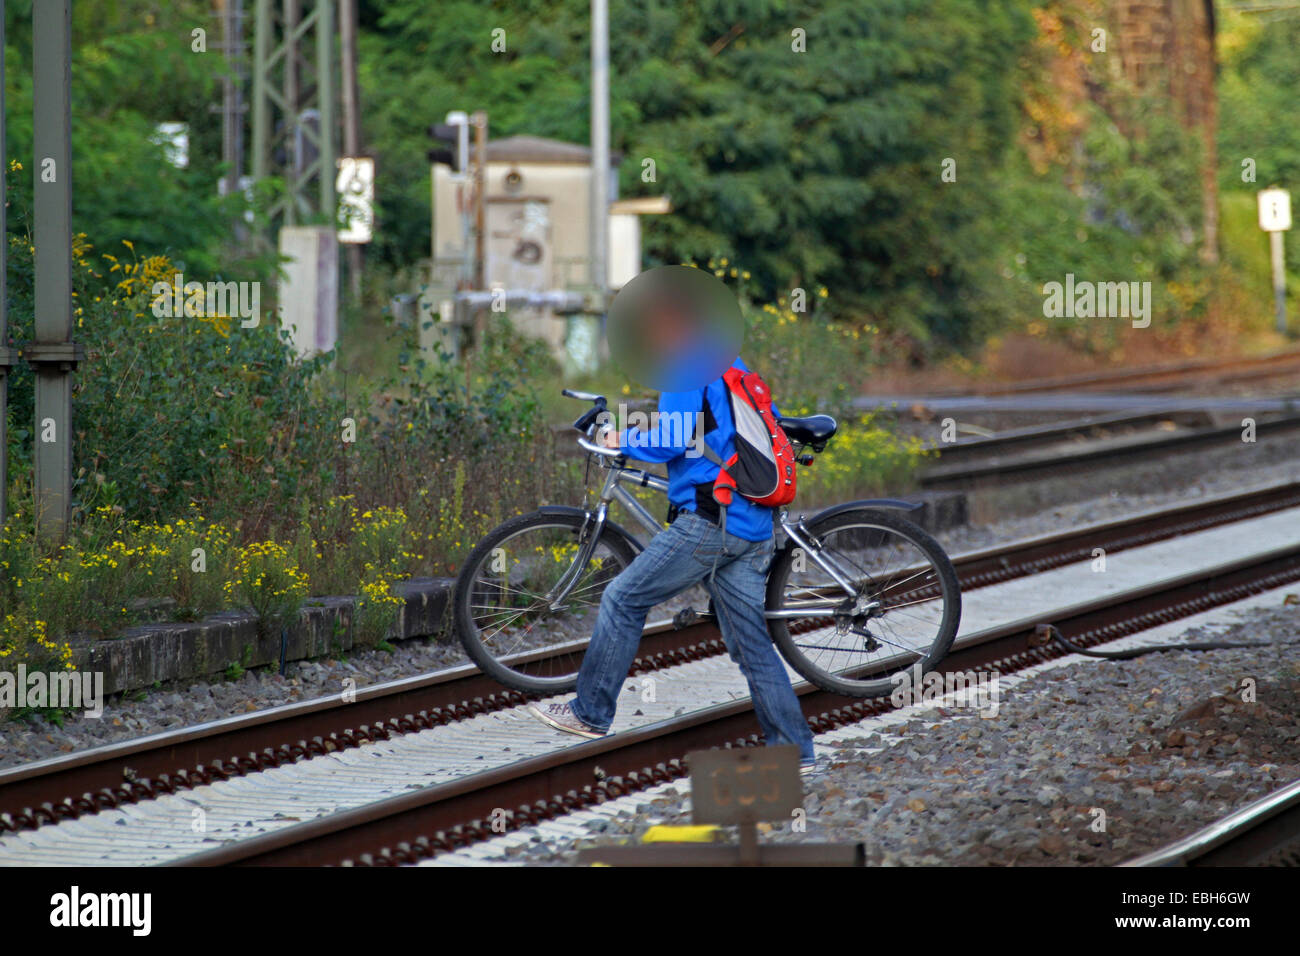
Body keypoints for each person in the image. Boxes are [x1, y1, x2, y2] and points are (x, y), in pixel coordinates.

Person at [528, 357, 817, 773]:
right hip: (752, 524)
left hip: (711, 522)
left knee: (623, 598)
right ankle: (795, 751)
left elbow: (673, 438)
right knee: (752, 646)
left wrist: (618, 440)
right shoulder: (730, 364)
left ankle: (589, 712)